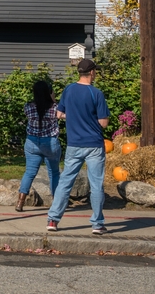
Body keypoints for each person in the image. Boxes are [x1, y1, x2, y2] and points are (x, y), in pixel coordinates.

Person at [46, 59, 110, 235]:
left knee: (66, 181)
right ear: (92, 72)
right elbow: (103, 123)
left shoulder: (68, 90)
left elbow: (59, 114)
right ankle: (97, 224)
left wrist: (73, 117)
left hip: (74, 143)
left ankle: (53, 219)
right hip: (94, 144)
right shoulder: (96, 93)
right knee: (96, 184)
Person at [16, 80, 61, 212]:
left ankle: (20, 202)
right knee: (54, 173)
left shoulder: (28, 107)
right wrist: (53, 99)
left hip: (32, 142)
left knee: (29, 172)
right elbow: (61, 114)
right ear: (49, 92)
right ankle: (56, 202)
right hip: (50, 142)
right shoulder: (54, 108)